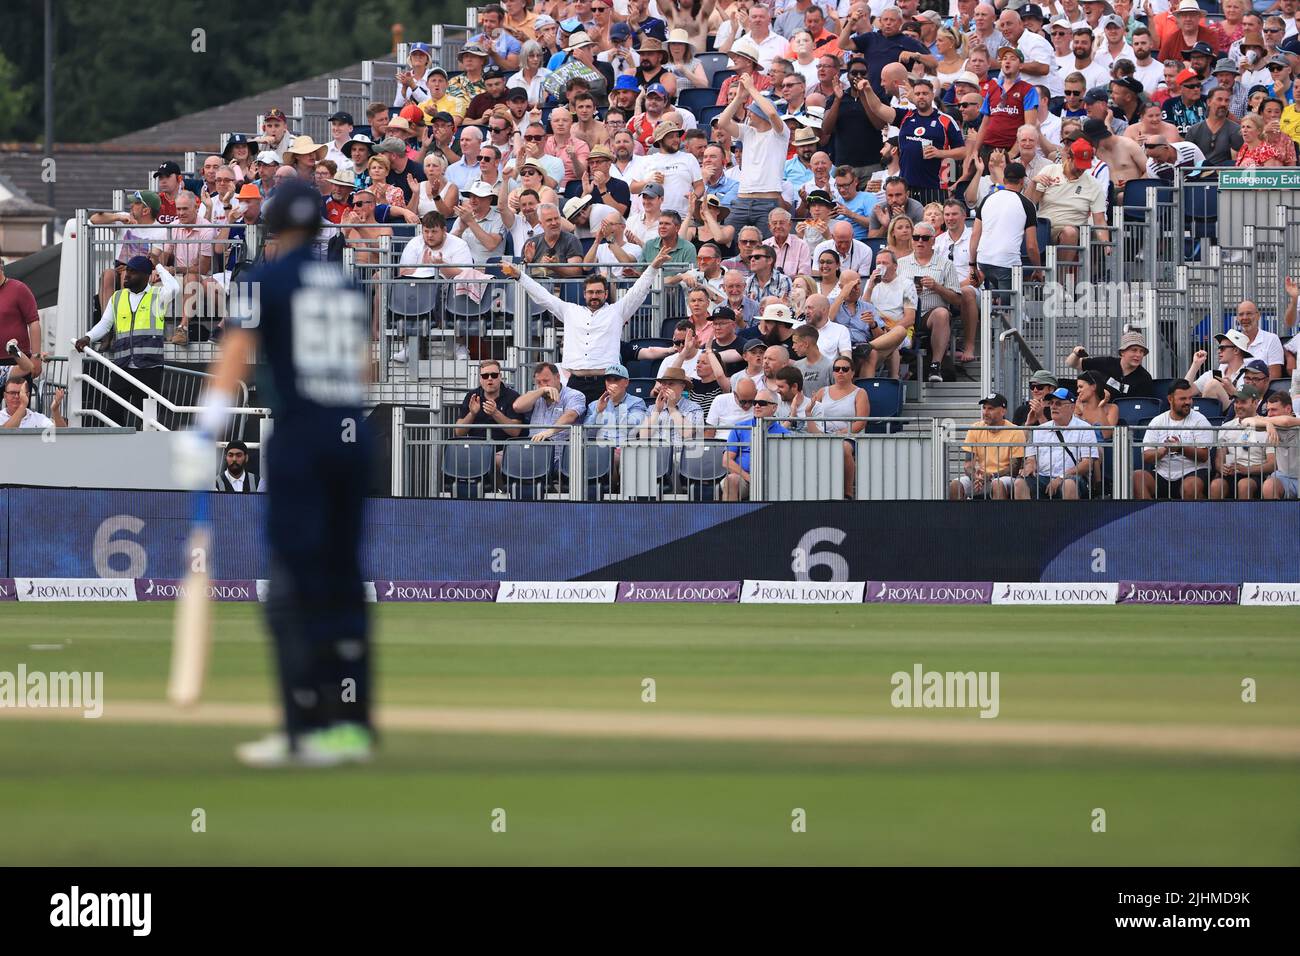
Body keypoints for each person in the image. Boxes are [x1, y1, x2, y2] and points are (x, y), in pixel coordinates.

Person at [174, 181, 373, 767]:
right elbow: (364, 366)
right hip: (353, 435)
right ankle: (350, 727)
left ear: (273, 231)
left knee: (289, 584)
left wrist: (204, 430)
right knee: (343, 580)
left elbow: (236, 350)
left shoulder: (265, 279)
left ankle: (302, 730)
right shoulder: (344, 282)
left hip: (302, 438)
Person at [502, 246, 672, 402]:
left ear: (606, 294)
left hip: (606, 382)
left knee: (603, 430)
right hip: (575, 382)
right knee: (573, 428)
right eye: (590, 292)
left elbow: (638, 292)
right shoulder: (570, 311)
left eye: (598, 292)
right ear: (584, 294)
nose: (594, 295)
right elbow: (543, 297)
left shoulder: (616, 311)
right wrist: (520, 276)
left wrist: (653, 267)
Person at [74, 255, 181, 428]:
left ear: (146, 275)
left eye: (133, 272)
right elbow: (105, 323)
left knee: (146, 419)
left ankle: (144, 453)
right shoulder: (117, 297)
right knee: (113, 413)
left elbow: (175, 288)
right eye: (126, 271)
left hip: (149, 368)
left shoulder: (158, 295)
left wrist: (158, 266)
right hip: (122, 367)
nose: (127, 275)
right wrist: (88, 337)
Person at [968, 161, 1041, 303]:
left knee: (998, 305)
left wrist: (972, 265)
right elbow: (1031, 245)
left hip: (984, 260)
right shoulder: (1027, 204)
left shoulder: (987, 199)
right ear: (1022, 181)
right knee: (1010, 311)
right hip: (1007, 263)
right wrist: (1038, 270)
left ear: (1004, 179)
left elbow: (975, 235)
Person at [897, 221, 962, 378]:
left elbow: (958, 300)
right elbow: (889, 292)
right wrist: (909, 290)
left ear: (933, 241)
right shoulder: (900, 263)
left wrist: (936, 287)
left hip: (929, 315)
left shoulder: (946, 264)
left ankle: (936, 365)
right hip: (904, 313)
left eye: (925, 238)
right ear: (911, 239)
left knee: (942, 313)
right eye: (916, 237)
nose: (920, 241)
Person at [1013, 387, 1099, 499]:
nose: (1053, 406)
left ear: (1072, 407)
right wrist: (1030, 465)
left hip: (1072, 477)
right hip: (1043, 477)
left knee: (1068, 484)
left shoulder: (1085, 428)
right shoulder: (1039, 429)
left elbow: (1087, 463)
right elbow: (1031, 458)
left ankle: (1069, 516)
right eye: (1051, 403)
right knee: (1020, 483)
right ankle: (1026, 516)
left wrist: (1061, 477)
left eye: (1058, 403)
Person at [1133, 379, 1213, 499]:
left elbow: (1203, 455)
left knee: (1190, 486)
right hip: (1162, 473)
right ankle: (1149, 517)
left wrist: (1180, 448)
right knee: (1137, 477)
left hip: (1192, 472)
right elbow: (1146, 455)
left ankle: (1193, 517)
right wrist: (1162, 451)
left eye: (1190, 398)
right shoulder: (1158, 421)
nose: (1188, 402)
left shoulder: (1200, 420)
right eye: (1183, 399)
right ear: (1170, 399)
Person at [810, 358, 870, 496]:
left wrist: (841, 433)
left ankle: (848, 491)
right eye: (837, 369)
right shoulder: (822, 392)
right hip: (823, 434)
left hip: (850, 436)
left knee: (843, 448)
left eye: (845, 369)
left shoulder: (860, 393)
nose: (840, 372)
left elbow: (861, 422)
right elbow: (812, 415)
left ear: (853, 372)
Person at [950, 392, 1025, 499]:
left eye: (991, 408)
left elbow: (1014, 468)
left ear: (1003, 411)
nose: (985, 412)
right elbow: (968, 464)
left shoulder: (1015, 431)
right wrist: (975, 477)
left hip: (1004, 478)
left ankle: (1000, 516)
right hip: (982, 478)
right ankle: (955, 516)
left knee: (997, 484)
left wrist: (991, 476)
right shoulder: (975, 428)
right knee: (955, 485)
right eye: (984, 408)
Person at [721, 388, 789, 500]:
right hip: (743, 477)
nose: (757, 406)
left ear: (774, 407)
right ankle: (731, 516)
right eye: (754, 402)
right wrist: (749, 478)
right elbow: (726, 460)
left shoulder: (784, 433)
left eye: (762, 403)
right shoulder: (739, 428)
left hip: (774, 480)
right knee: (731, 480)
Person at [1210, 385, 1275, 499]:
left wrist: (1247, 470)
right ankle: (1213, 517)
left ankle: (1244, 517)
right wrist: (1221, 467)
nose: (1238, 406)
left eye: (1243, 402)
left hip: (1256, 475)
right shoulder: (1226, 427)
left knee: (1244, 485)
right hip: (1231, 473)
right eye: (1236, 402)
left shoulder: (1267, 427)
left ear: (1255, 403)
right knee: (1216, 485)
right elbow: (1220, 457)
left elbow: (1272, 464)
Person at [1240, 391, 1300, 499]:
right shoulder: (1271, 423)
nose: (1269, 414)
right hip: (1284, 476)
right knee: (1269, 486)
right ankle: (1277, 516)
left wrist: (1265, 421)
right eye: (1268, 410)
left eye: (1274, 410)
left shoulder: (1297, 419)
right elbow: (1245, 422)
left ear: (1288, 409)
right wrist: (1267, 423)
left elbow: (1286, 421)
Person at [513, 361, 588, 446]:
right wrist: (542, 390)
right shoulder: (535, 395)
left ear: (558, 377)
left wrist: (550, 432)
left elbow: (570, 416)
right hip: (534, 452)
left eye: (546, 381)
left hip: (562, 454)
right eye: (539, 382)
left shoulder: (574, 395)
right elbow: (517, 406)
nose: (543, 385)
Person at [455, 358, 524, 441]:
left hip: (503, 449)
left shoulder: (512, 396)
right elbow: (459, 432)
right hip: (477, 448)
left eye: (494, 375)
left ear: (500, 377)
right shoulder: (472, 396)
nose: (490, 378)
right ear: (480, 379)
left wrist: (495, 413)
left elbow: (515, 431)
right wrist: (472, 414)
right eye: (485, 376)